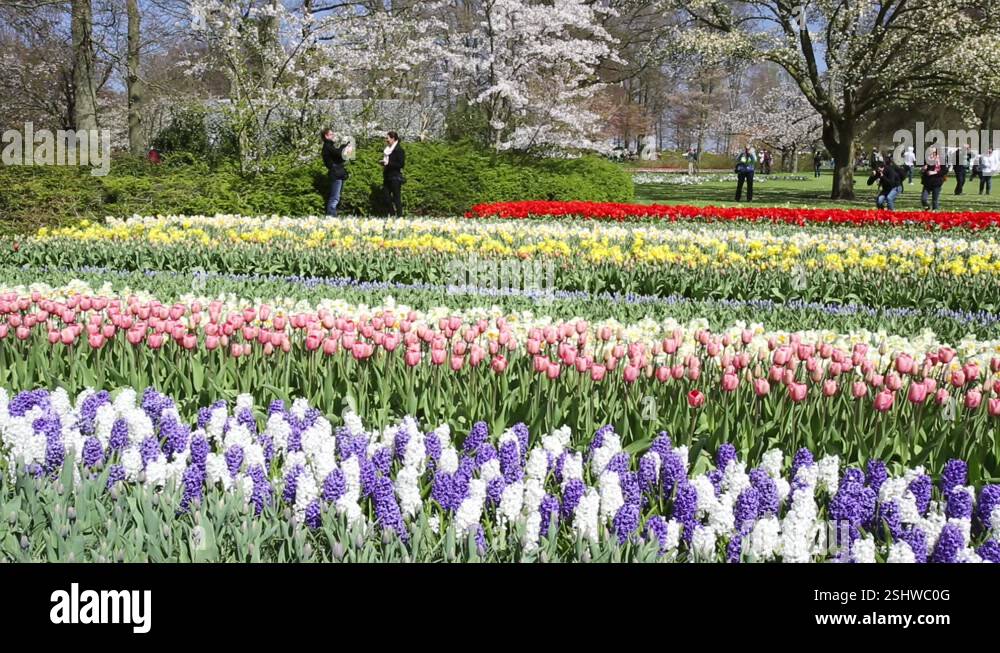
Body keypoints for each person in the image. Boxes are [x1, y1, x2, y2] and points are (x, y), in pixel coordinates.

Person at [321, 128, 349, 216]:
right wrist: (344, 146)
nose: (333, 136)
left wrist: (345, 148)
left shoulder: (330, 146)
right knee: (335, 197)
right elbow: (338, 153)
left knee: (337, 196)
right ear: (326, 136)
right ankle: (331, 215)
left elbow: (339, 158)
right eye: (331, 134)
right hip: (335, 173)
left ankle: (332, 214)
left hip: (337, 172)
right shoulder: (327, 146)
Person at [381, 130, 405, 216]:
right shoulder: (387, 150)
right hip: (387, 176)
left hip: (395, 177)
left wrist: (388, 163)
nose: (386, 140)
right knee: (386, 197)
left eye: (387, 138)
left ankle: (399, 216)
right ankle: (392, 214)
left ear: (393, 139)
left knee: (396, 197)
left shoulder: (399, 150)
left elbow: (401, 164)